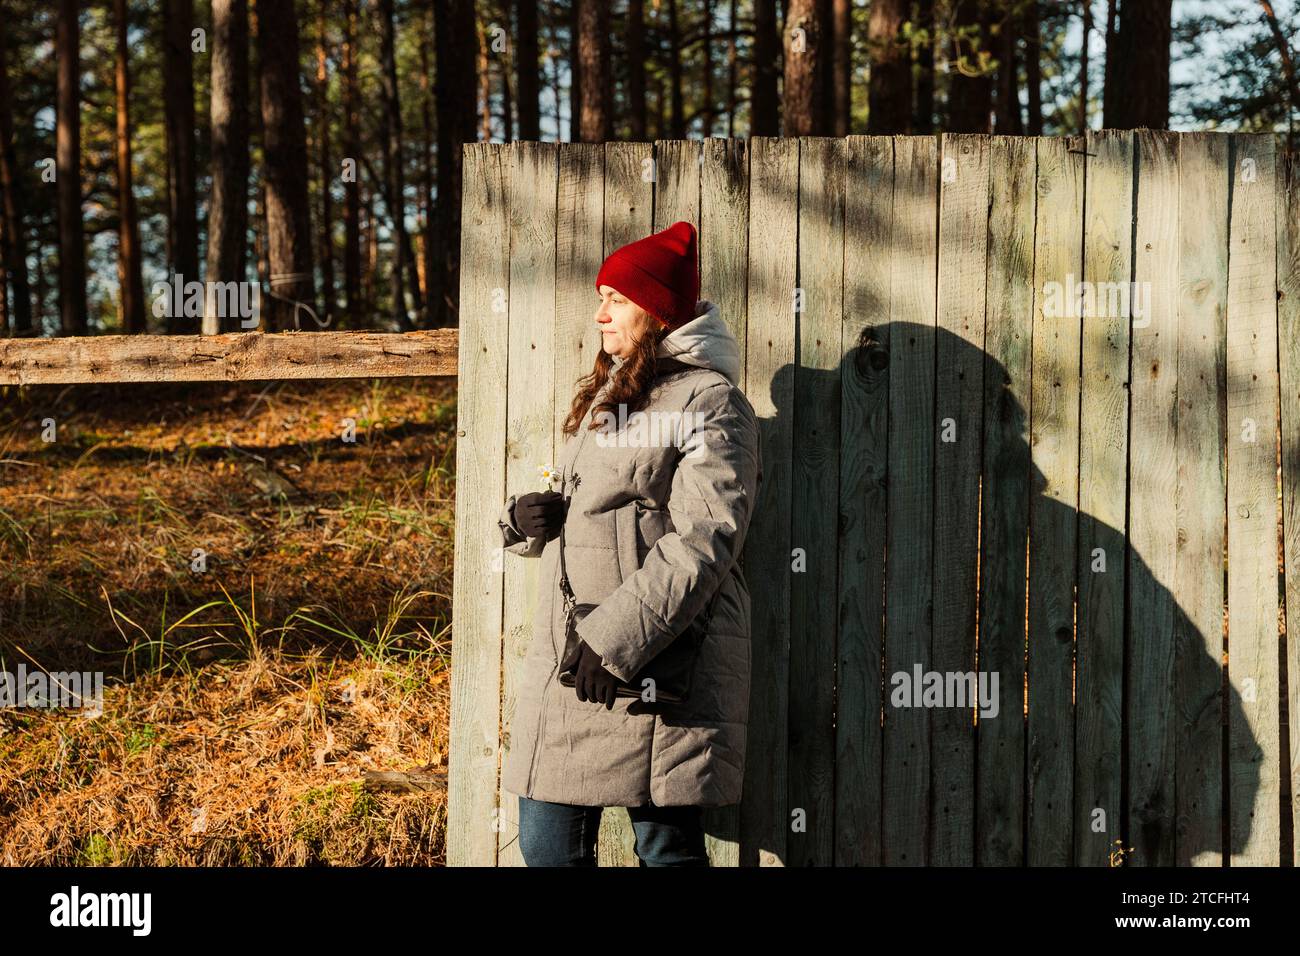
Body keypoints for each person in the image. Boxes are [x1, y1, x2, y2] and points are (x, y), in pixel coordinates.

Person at [496, 221, 762, 867]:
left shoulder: (712, 400)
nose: (600, 314)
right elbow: (601, 510)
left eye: (615, 298)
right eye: (601, 297)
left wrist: (614, 639)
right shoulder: (614, 394)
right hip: (576, 648)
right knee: (548, 841)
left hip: (656, 650)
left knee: (665, 845)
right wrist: (526, 521)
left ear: (657, 309)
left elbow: (706, 538)